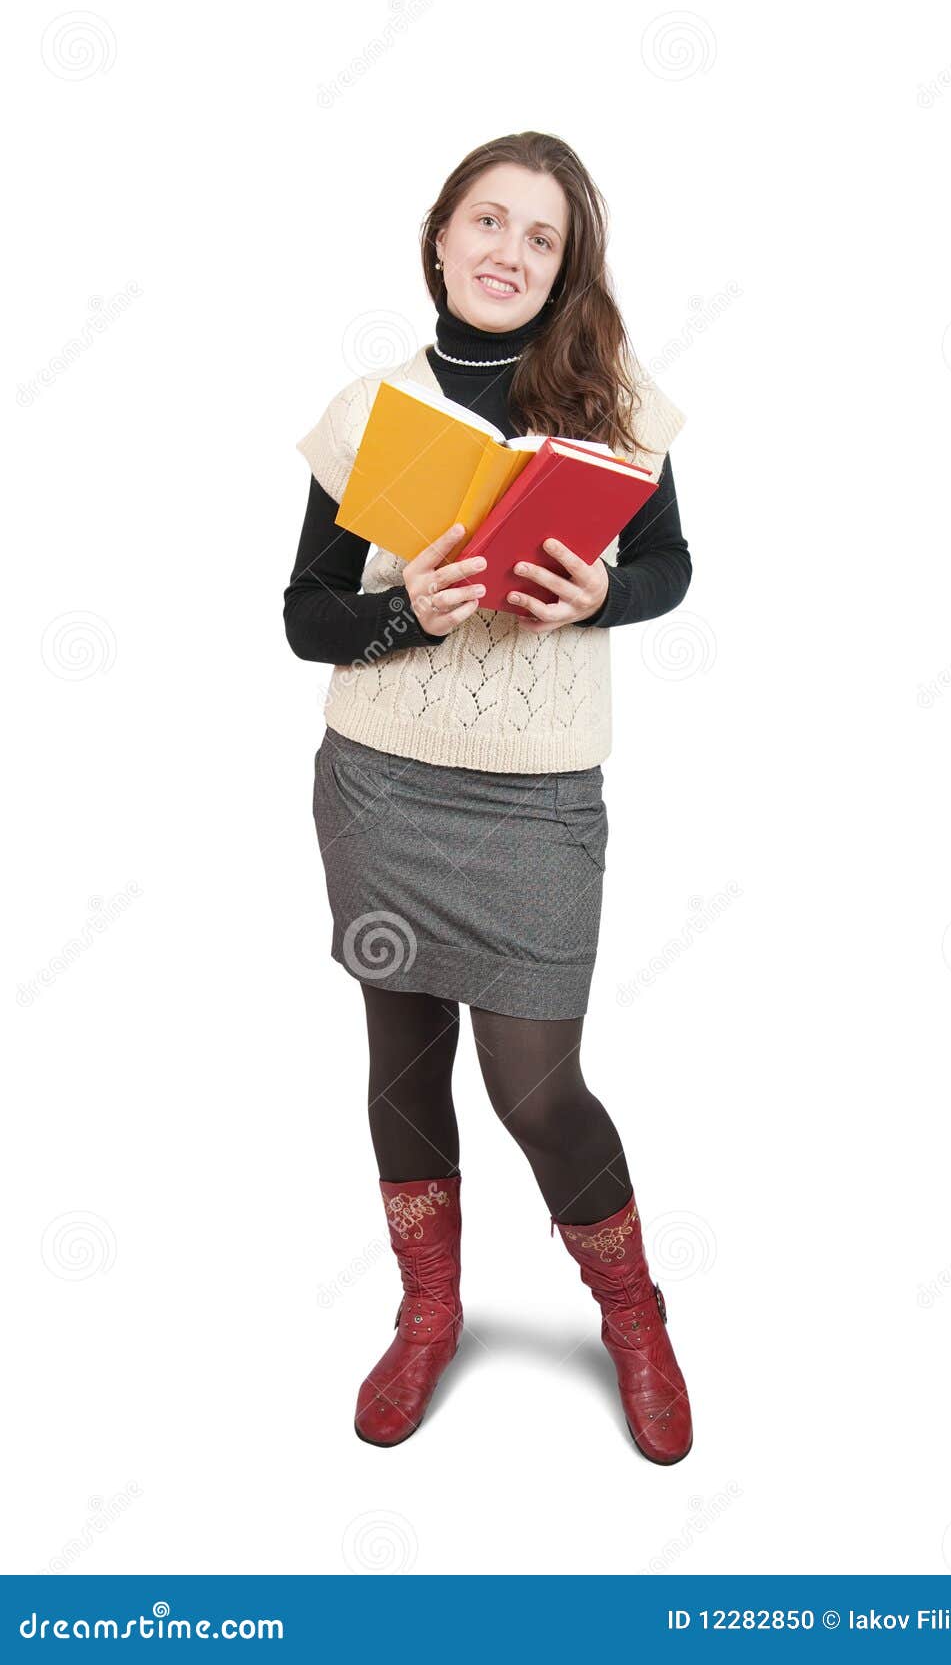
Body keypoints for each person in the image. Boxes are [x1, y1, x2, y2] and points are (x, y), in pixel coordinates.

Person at [284, 131, 693, 1464]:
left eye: (542, 236)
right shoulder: (370, 413)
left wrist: (604, 594)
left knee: (537, 1084)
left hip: (536, 803)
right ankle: (426, 1312)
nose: (508, 252)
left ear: (568, 265)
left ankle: (633, 1313)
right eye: (487, 221)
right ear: (440, 235)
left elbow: (672, 566)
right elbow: (307, 619)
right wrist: (403, 614)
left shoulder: (612, 401)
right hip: (381, 789)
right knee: (402, 1067)